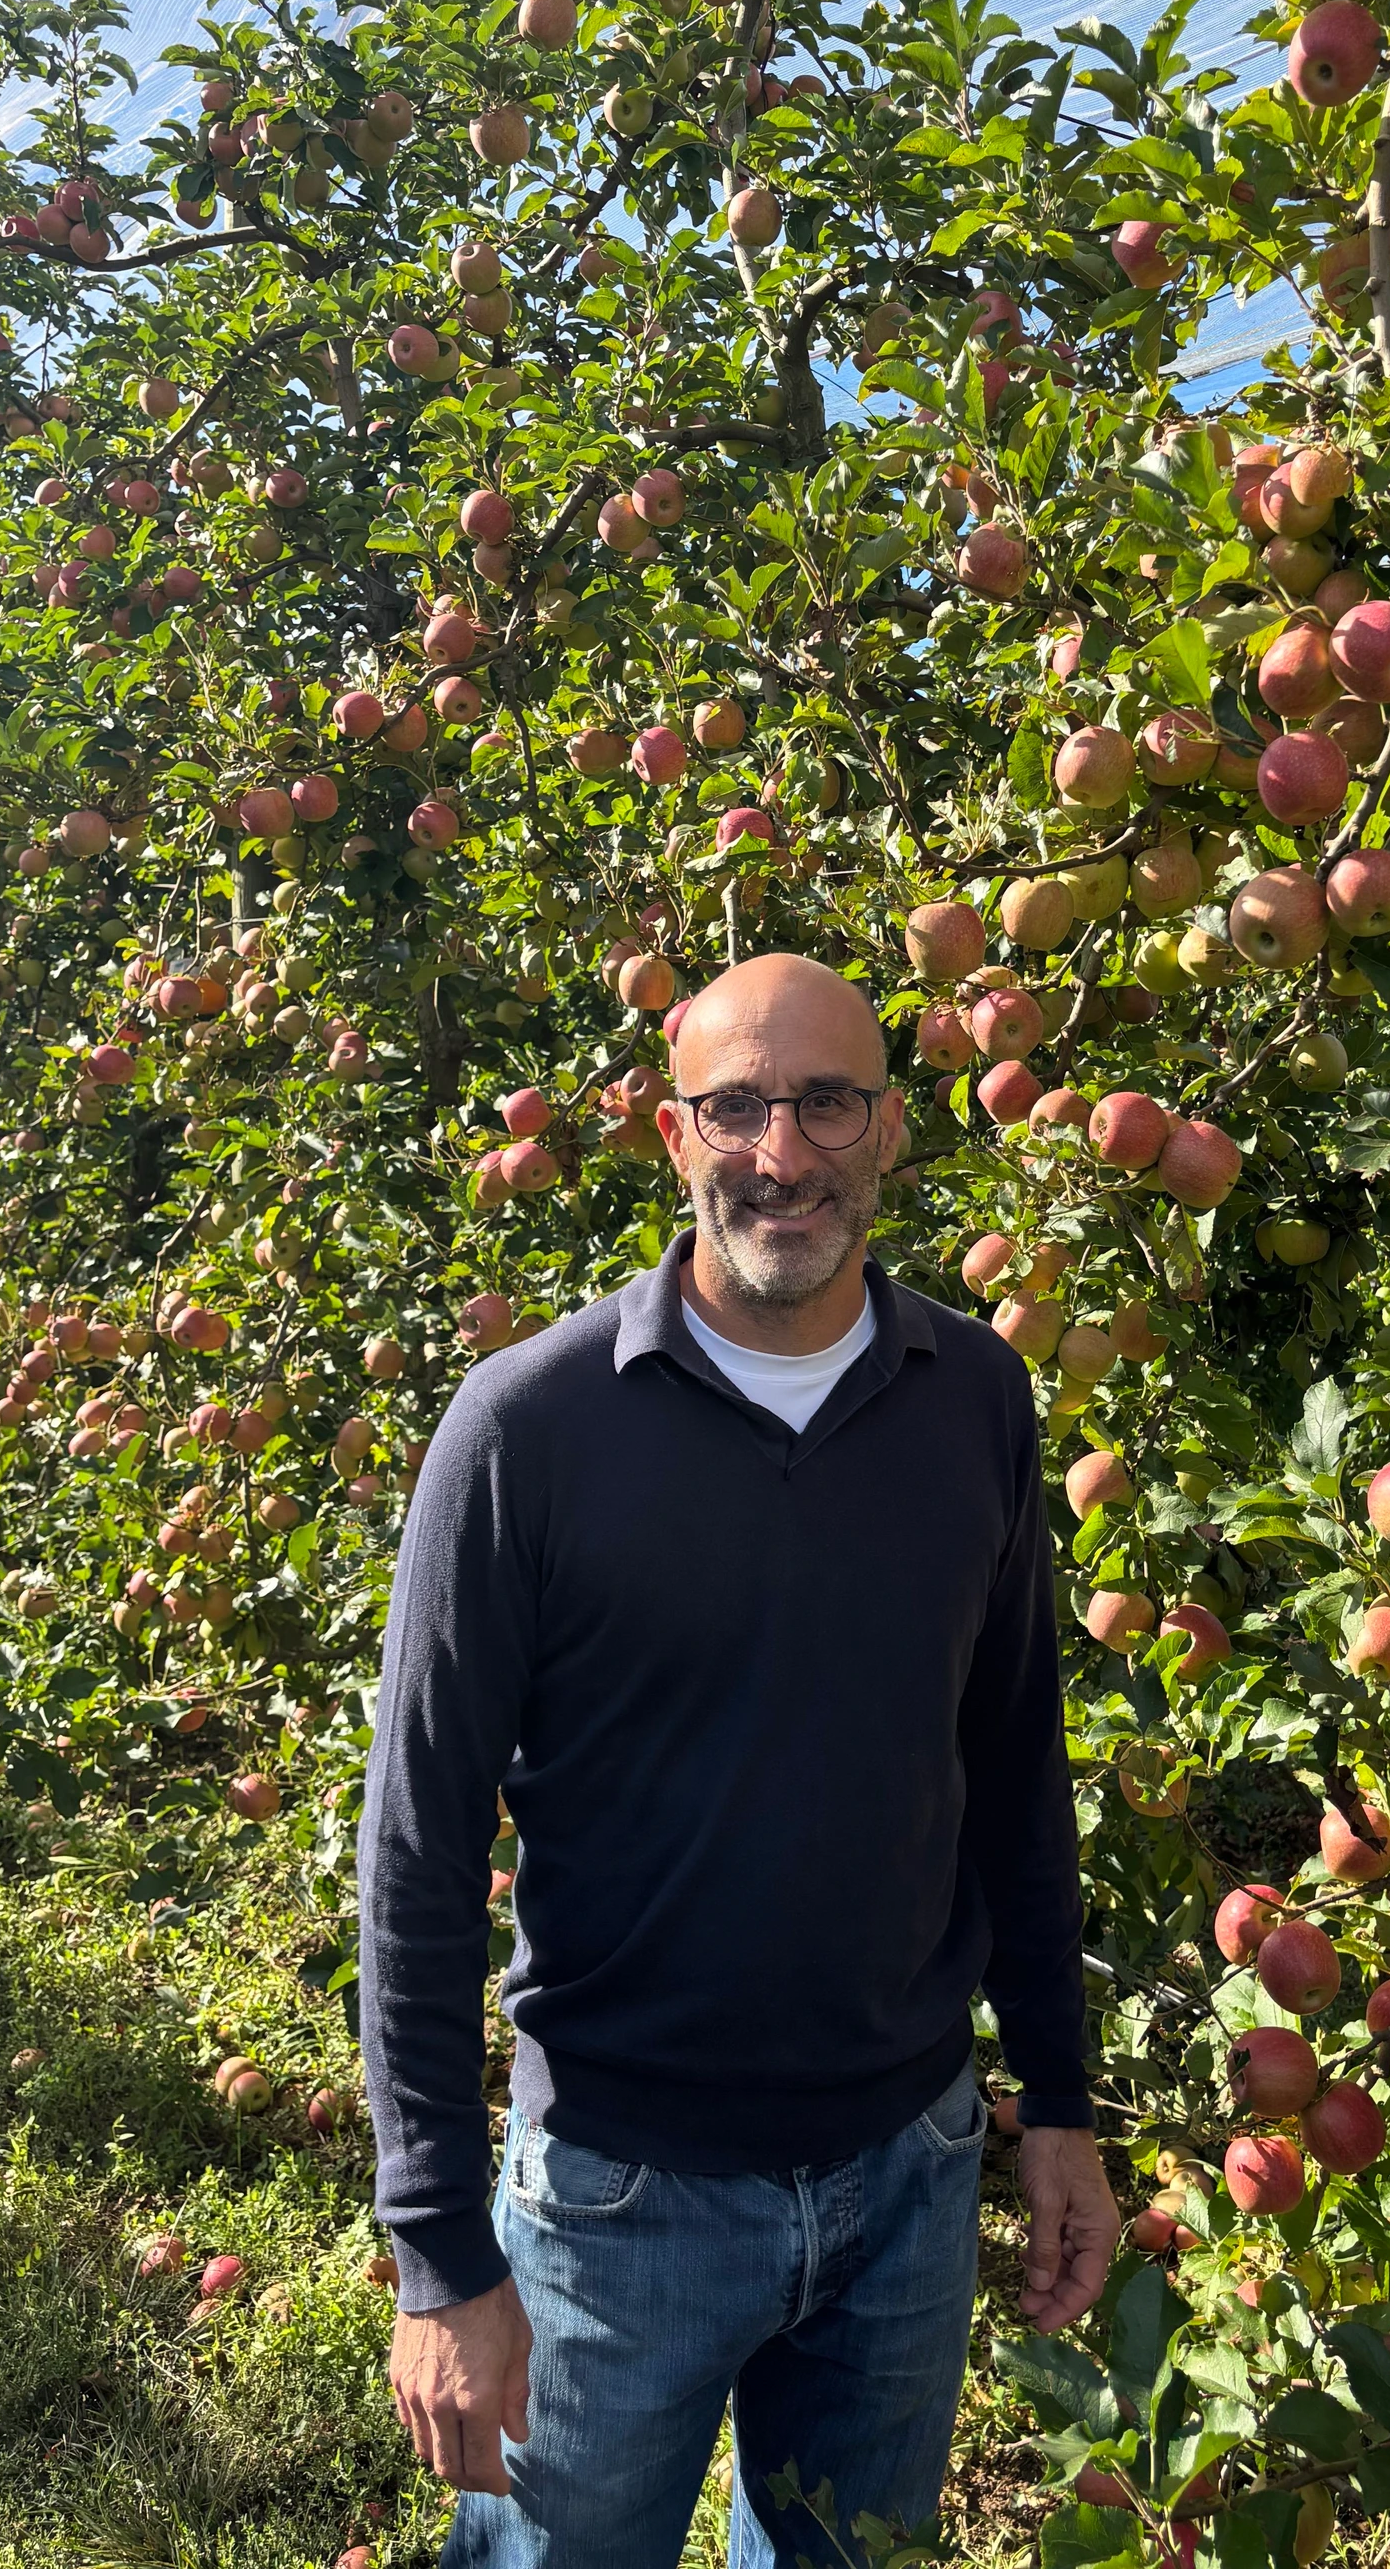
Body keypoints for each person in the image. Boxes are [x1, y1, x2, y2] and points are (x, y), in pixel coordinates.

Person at [358, 951, 1115, 2567]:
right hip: (620, 2198)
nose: (784, 1153)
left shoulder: (972, 1395)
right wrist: (438, 2254)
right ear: (670, 1137)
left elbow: (1011, 1767)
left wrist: (1059, 2098)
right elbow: (417, 1853)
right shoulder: (528, 1432)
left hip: (907, 2175)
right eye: (737, 1109)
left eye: (827, 1101)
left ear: (893, 1130)